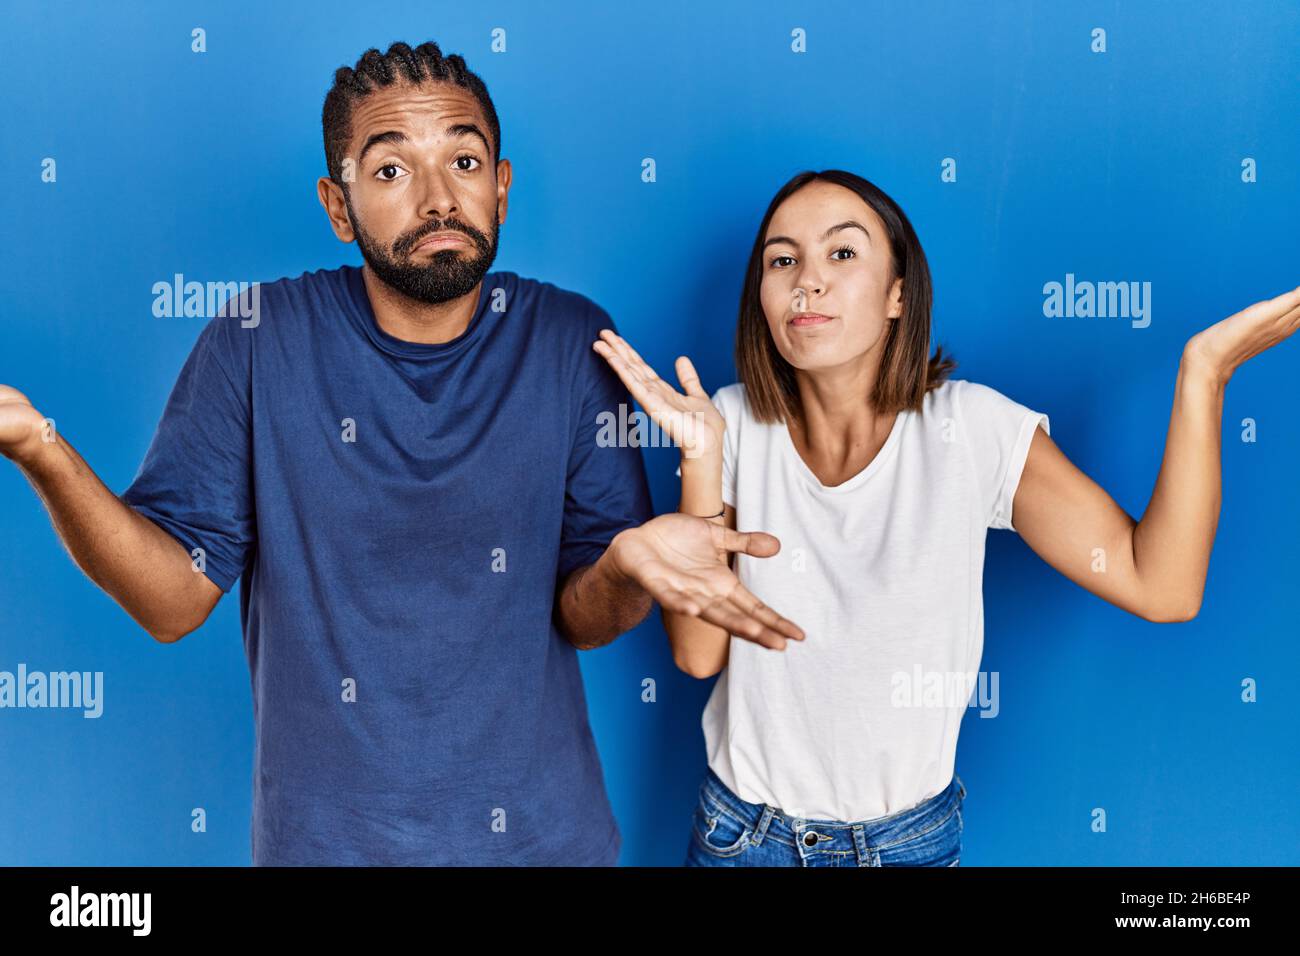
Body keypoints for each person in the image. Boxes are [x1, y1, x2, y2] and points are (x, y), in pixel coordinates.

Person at [0, 40, 788, 866]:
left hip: (543, 847)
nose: (439, 197)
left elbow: (585, 619)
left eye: (464, 159)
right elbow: (172, 602)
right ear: (338, 208)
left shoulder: (567, 341)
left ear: (503, 186)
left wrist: (626, 561)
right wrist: (41, 450)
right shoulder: (258, 342)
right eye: (390, 171)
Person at [593, 168, 1300, 867]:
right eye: (784, 260)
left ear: (898, 295)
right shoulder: (733, 422)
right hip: (740, 837)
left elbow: (1164, 586)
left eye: (842, 252)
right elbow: (696, 655)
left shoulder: (974, 430)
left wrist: (1204, 374)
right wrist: (702, 457)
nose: (808, 280)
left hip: (905, 847)